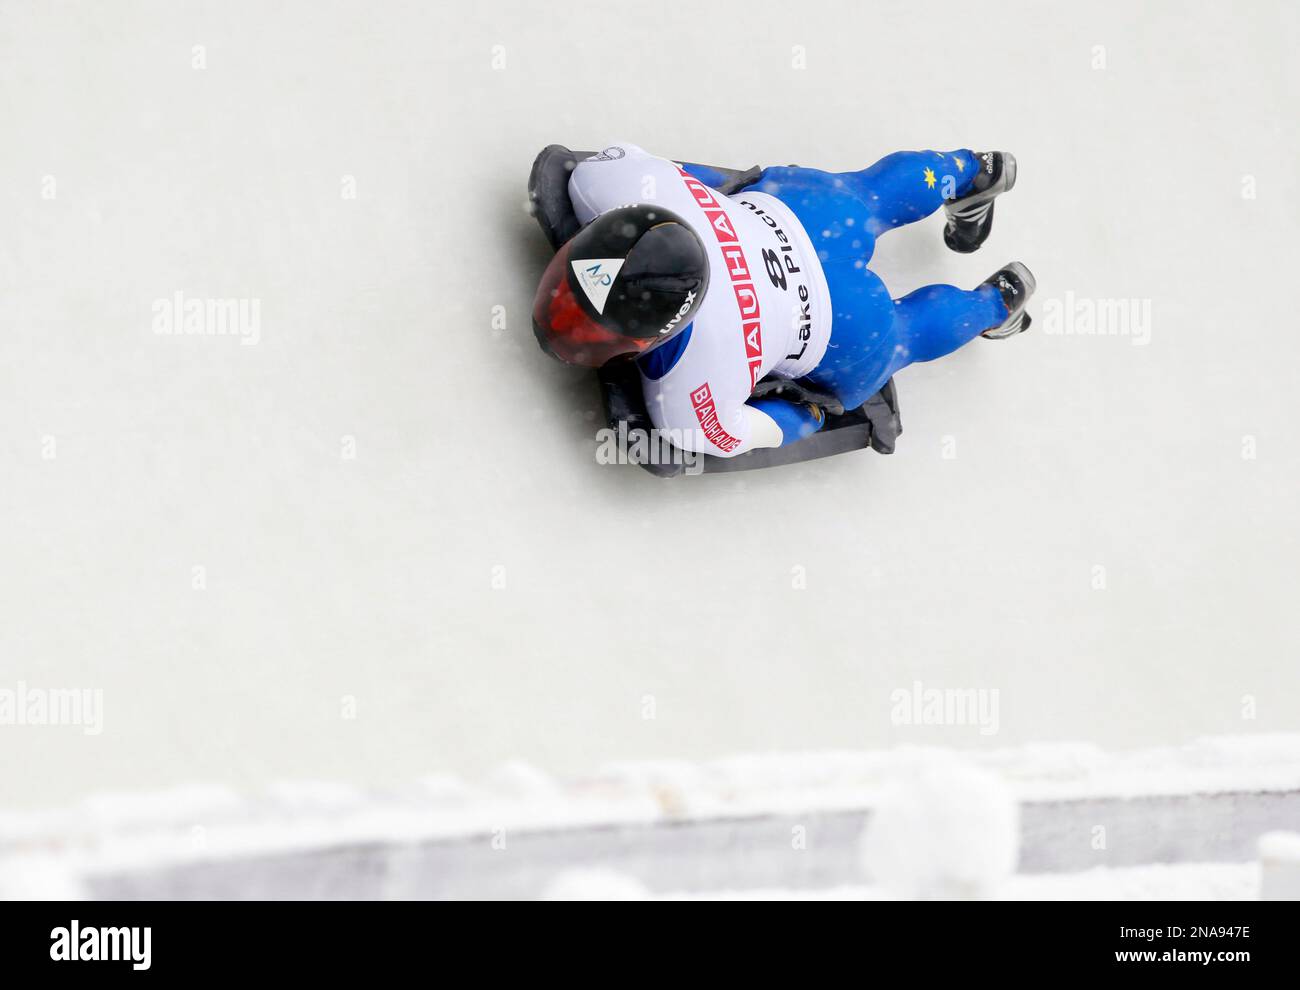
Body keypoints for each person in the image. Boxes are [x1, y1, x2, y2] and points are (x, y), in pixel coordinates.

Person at [531, 142, 1033, 457]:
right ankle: (970, 169)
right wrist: (727, 192)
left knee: (906, 335)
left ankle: (995, 304)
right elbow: (674, 169)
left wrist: (813, 412)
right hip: (807, 212)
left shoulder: (691, 394)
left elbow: (749, 432)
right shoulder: (608, 180)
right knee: (870, 194)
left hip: (841, 326)